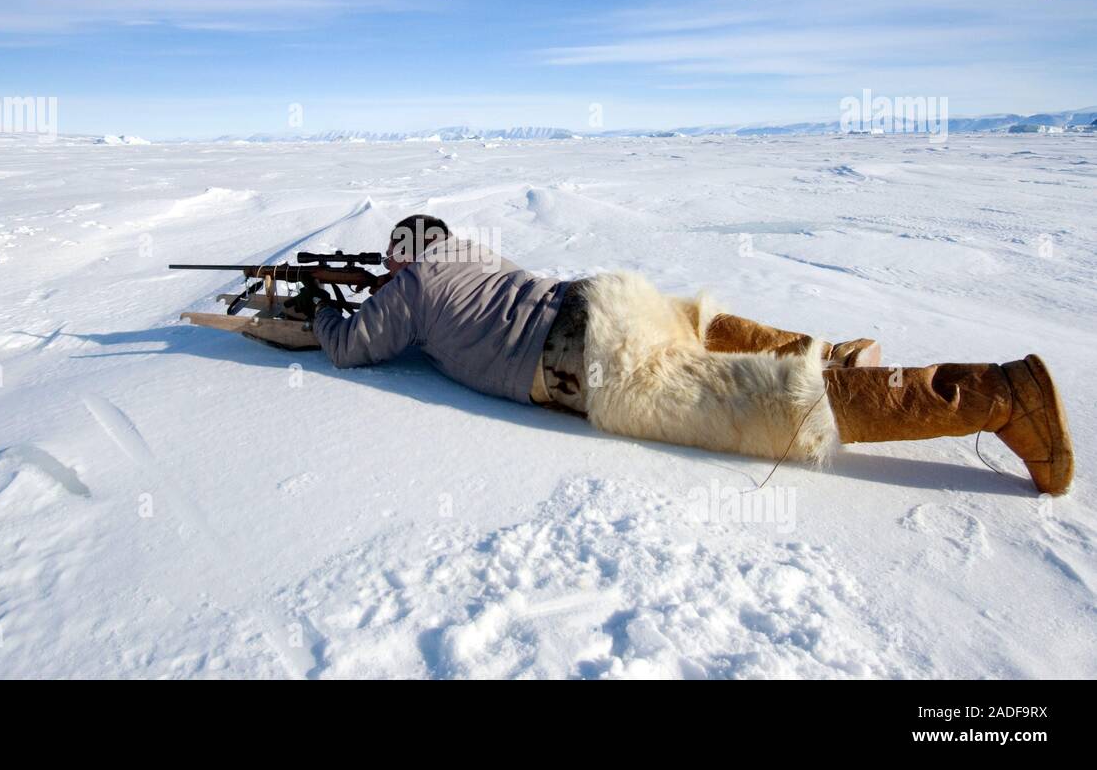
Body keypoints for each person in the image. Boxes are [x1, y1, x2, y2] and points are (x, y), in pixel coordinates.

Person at [306, 214, 1073, 496]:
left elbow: (349, 348)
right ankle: (827, 351)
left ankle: (1002, 395)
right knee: (704, 326)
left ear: (404, 256)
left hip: (589, 360)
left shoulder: (410, 287)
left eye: (392, 262)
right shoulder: (474, 252)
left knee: (762, 404)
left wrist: (323, 306)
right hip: (601, 297)